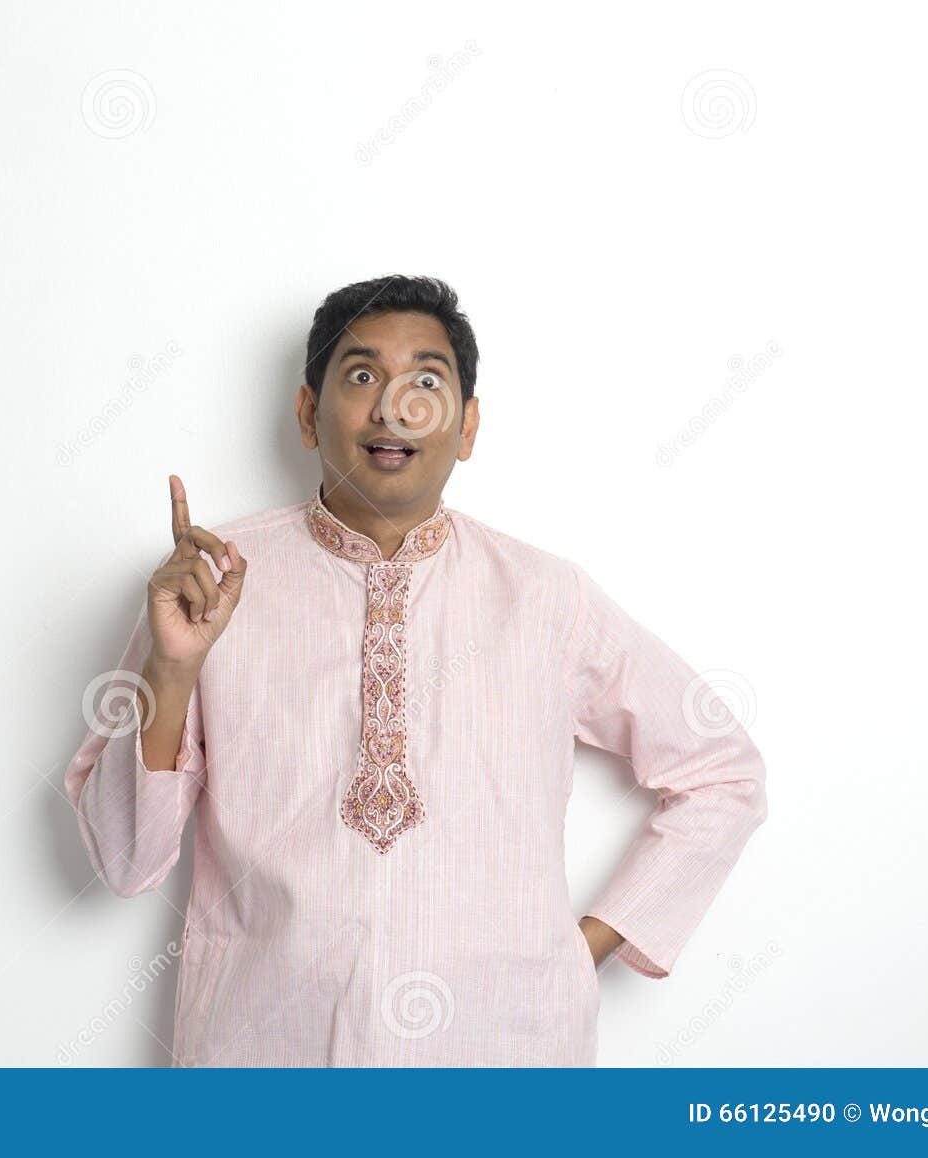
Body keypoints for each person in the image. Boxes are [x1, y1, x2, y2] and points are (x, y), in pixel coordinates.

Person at [63, 274, 767, 1065]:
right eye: (362, 375)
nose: (393, 408)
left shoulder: (544, 596)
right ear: (307, 412)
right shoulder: (208, 587)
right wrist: (171, 670)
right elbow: (125, 863)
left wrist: (587, 947)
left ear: (467, 426)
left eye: (426, 382)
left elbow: (723, 772)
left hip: (501, 1057)